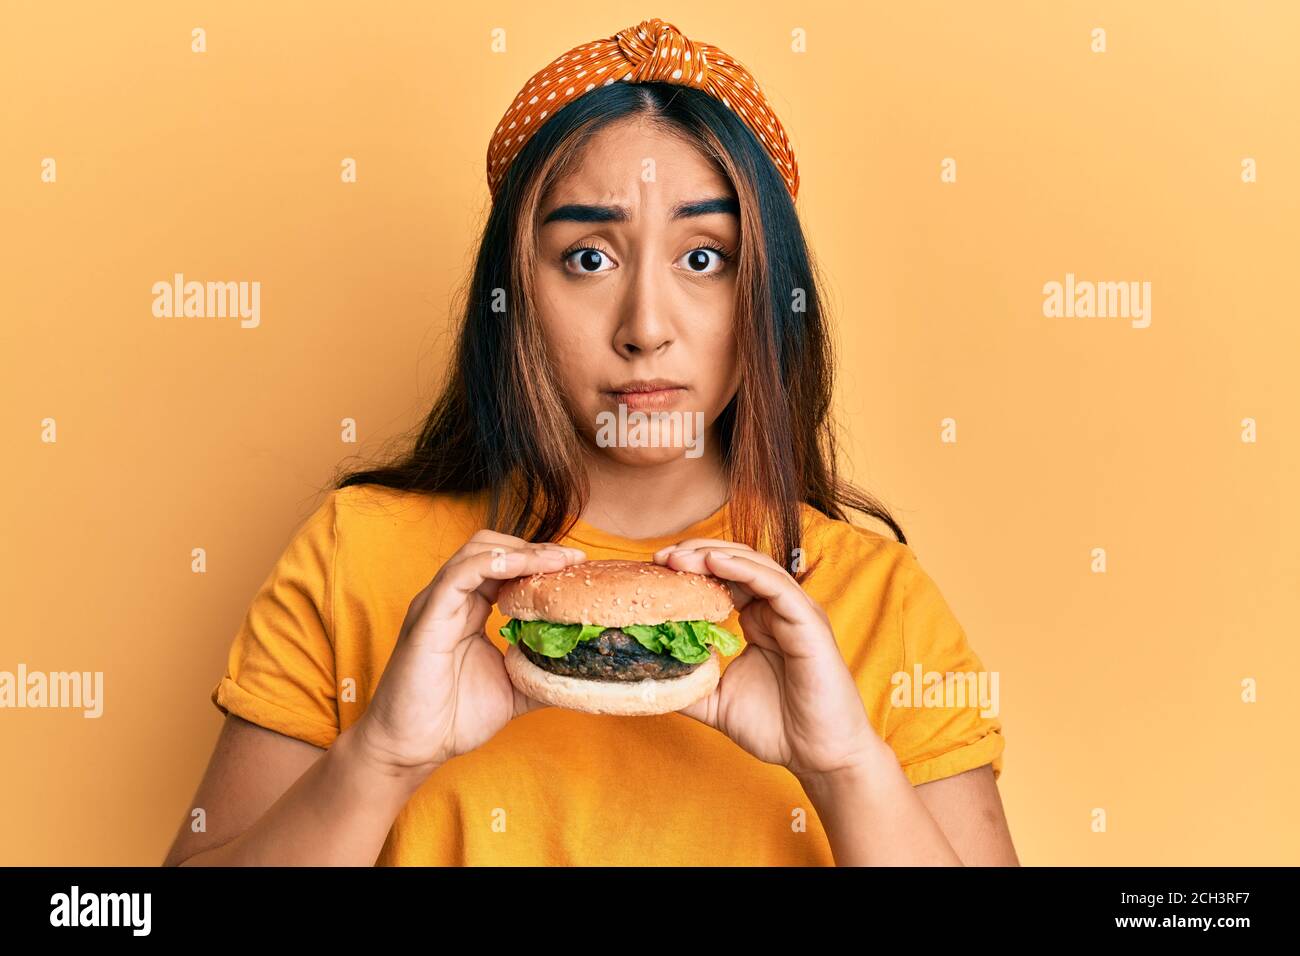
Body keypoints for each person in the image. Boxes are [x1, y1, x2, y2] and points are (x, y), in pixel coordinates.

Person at [164, 17, 1017, 866]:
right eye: (588, 258)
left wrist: (845, 769)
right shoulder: (356, 557)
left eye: (704, 258)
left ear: (767, 291)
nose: (646, 328)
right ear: (515, 293)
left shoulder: (878, 601)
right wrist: (381, 758)